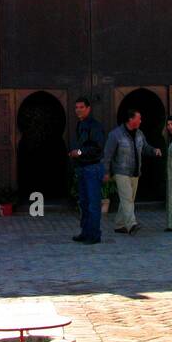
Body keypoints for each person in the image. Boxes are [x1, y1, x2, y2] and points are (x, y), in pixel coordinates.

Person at [102, 109, 161, 235]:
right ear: (131, 119)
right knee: (127, 198)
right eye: (139, 118)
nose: (141, 120)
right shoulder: (115, 134)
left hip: (135, 172)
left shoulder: (139, 134)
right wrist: (106, 172)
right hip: (121, 171)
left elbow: (145, 148)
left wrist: (154, 150)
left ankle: (119, 224)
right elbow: (107, 155)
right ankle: (132, 224)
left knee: (128, 200)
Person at [69, 96, 106, 245]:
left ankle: (94, 235)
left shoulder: (95, 126)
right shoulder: (79, 125)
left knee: (93, 203)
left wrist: (78, 153)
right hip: (82, 168)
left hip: (92, 168)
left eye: (81, 107)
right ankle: (85, 232)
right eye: (76, 107)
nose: (78, 110)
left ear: (88, 108)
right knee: (84, 203)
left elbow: (97, 148)